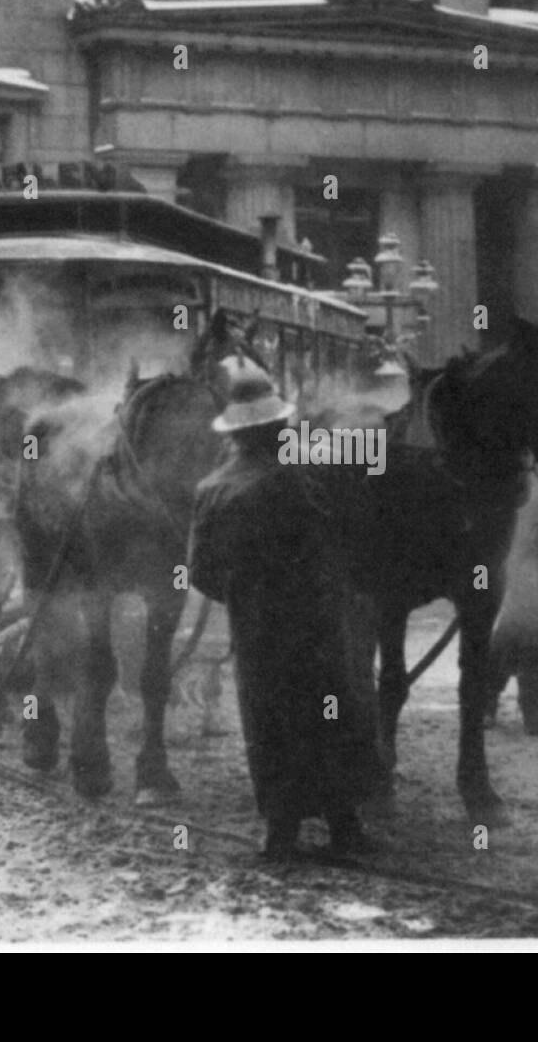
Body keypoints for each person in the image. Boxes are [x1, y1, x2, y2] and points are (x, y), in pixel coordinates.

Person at [187, 367, 384, 860]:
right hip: (315, 625)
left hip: (255, 629)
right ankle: (344, 827)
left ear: (235, 433)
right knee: (329, 713)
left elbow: (201, 572)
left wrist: (245, 597)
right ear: (277, 427)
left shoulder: (211, 488)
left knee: (268, 721)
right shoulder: (299, 478)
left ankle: (280, 833)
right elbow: (337, 545)